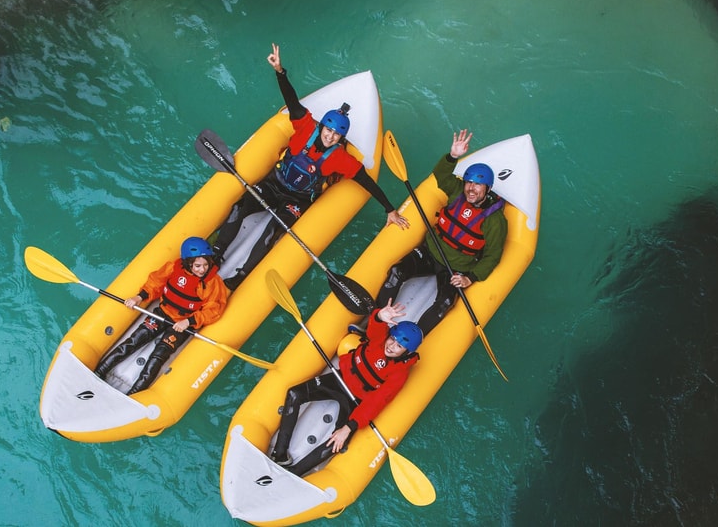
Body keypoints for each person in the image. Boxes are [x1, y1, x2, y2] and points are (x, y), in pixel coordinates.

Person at [212, 43, 409, 289]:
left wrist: (389, 209)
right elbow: (291, 100)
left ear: (341, 138)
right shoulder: (305, 126)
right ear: (322, 126)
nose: (330, 137)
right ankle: (216, 254)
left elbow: (366, 181)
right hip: (274, 184)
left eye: (336, 135)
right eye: (328, 130)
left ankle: (238, 277)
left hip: (298, 201)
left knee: (274, 229)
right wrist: (279, 71)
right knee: (239, 206)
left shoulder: (341, 159)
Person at [269, 301, 422, 476]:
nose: (391, 346)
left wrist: (349, 427)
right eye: (392, 339)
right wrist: (380, 316)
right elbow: (375, 328)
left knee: (337, 440)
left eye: (399, 346)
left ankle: (295, 472)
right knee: (295, 394)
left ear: (407, 352)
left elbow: (376, 401)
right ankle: (280, 454)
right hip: (340, 379)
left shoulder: (399, 374)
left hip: (356, 400)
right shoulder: (380, 340)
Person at [375, 129, 506, 334]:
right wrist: (453, 156)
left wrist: (469, 278)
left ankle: (412, 338)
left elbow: (492, 256)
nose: (471, 188)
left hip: (455, 269)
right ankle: (378, 319)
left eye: (478, 185)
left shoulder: (495, 221)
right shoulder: (456, 191)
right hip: (430, 251)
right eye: (469, 182)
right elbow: (441, 174)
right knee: (396, 271)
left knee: (444, 302)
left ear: (487, 189)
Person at [94, 237, 229, 395]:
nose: (202, 269)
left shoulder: (213, 283)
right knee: (134, 340)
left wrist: (189, 321)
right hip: (163, 312)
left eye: (206, 265)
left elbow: (214, 309)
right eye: (197, 265)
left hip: (183, 324)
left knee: (159, 355)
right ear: (188, 262)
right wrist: (140, 297)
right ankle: (100, 371)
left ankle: (135, 393)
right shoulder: (173, 268)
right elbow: (155, 283)